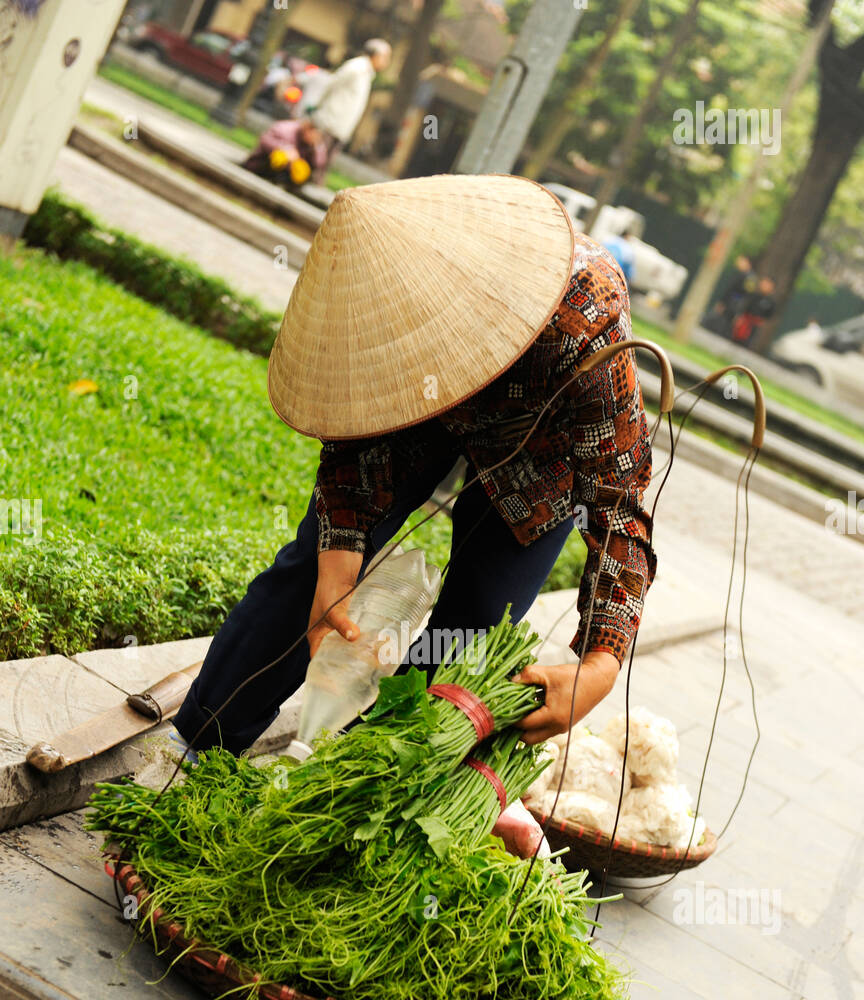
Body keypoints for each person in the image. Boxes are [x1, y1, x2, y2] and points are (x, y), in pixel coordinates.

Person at [172, 175, 657, 758]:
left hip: (536, 456)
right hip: (414, 411)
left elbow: (618, 502)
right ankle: (199, 745)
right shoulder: (382, 283)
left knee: (475, 625)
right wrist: (340, 555)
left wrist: (600, 663)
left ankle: (350, 785)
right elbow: (351, 430)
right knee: (314, 575)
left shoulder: (585, 316)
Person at [309, 38, 392, 156]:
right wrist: (317, 111)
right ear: (375, 55)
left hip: (340, 129)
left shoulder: (367, 73)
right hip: (329, 124)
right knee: (315, 161)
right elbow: (331, 85)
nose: (387, 62)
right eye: (385, 57)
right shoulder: (356, 68)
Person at [241, 117, 328, 186]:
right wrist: (285, 149)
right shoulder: (287, 128)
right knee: (279, 157)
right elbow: (264, 139)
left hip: (287, 175)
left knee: (303, 169)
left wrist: (315, 148)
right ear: (308, 128)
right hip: (263, 164)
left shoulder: (317, 145)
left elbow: (319, 164)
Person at [732, 275, 776, 346]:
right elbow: (744, 307)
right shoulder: (754, 296)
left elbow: (769, 315)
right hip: (745, 321)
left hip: (755, 325)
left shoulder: (770, 302)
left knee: (748, 341)